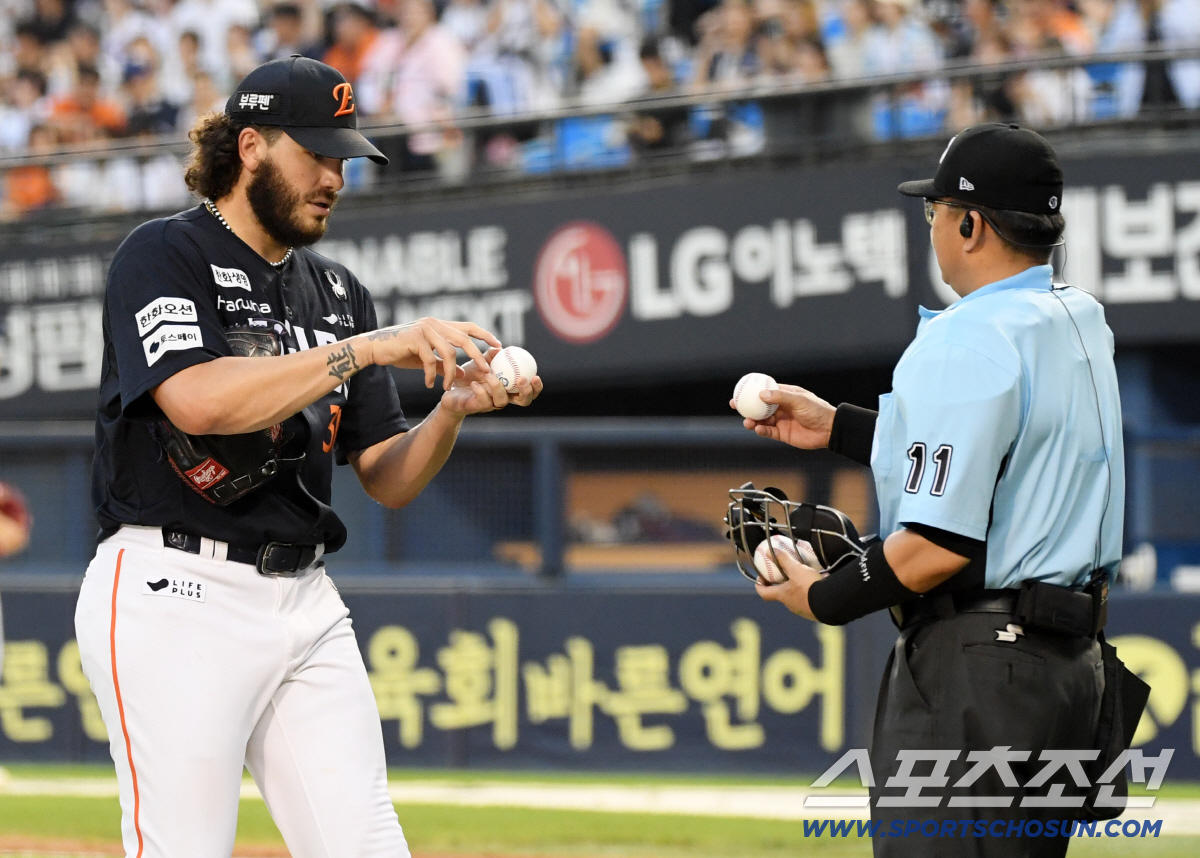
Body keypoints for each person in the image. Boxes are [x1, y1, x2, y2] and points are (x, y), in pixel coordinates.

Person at [75, 56, 541, 858]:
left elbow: (387, 476)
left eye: (344, 158)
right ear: (251, 146)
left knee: (365, 846)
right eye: (318, 153)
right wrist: (367, 349)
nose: (336, 176)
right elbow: (199, 401)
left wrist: (451, 411)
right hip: (176, 590)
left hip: (305, 601)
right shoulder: (164, 254)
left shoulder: (335, 291)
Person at [735, 124, 1131, 856]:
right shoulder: (1078, 318)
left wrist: (822, 596)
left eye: (938, 211)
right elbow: (1008, 453)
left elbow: (937, 546)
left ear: (972, 224)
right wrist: (843, 427)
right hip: (1068, 672)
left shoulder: (963, 335)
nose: (935, 227)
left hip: (980, 669)